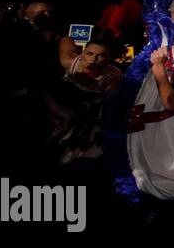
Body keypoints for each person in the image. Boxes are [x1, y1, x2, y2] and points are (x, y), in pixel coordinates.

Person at [46, 26, 123, 164]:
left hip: (86, 117)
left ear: (108, 57)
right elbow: (65, 41)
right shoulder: (70, 62)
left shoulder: (112, 76)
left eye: (100, 56)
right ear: (83, 53)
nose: (93, 59)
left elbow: (110, 100)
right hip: (59, 108)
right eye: (89, 54)